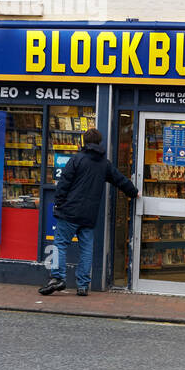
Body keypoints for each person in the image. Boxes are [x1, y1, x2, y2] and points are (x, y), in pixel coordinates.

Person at [39, 127, 137, 297]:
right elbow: (120, 180)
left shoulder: (76, 160)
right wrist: (134, 192)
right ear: (99, 143)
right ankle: (83, 285)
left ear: (84, 142)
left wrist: (59, 204)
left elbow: (63, 184)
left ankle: (57, 278)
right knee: (86, 248)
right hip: (89, 214)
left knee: (60, 244)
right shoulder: (104, 164)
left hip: (69, 211)